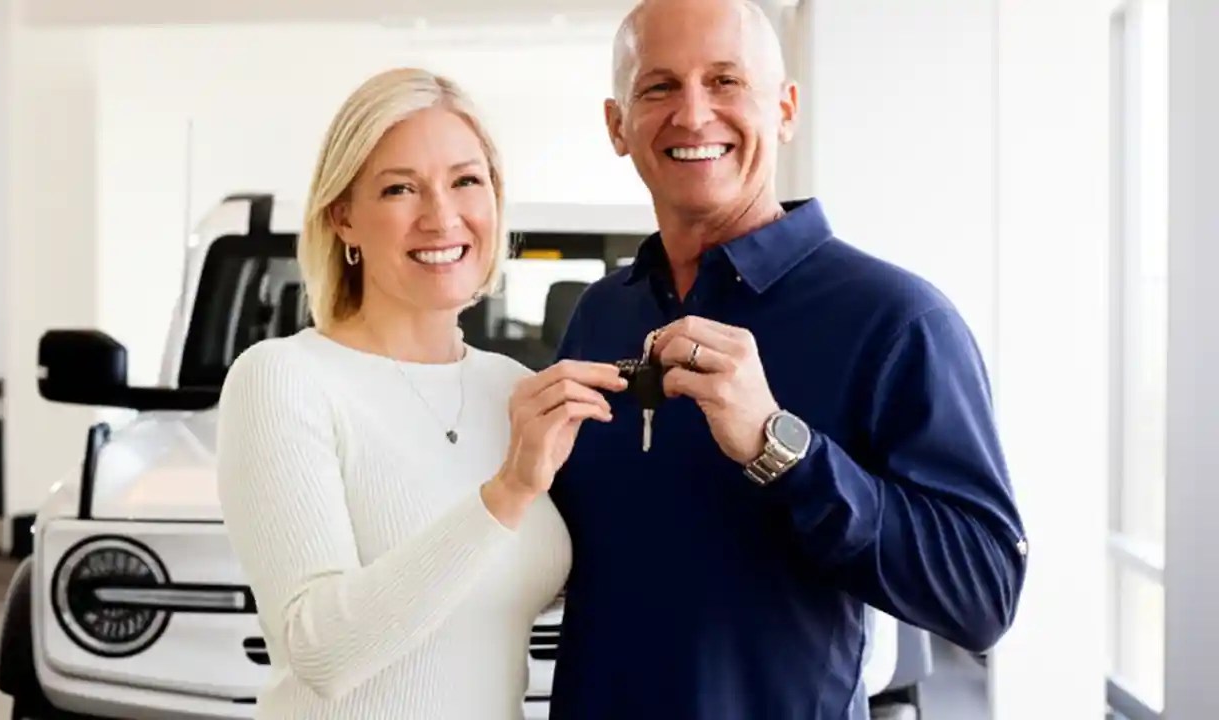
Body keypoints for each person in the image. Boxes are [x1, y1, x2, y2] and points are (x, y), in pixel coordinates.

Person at [545, 1, 1029, 718]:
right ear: (618, 125)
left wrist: (784, 448)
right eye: (659, 87)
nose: (693, 113)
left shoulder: (897, 319)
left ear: (785, 108)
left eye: (726, 80)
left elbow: (982, 593)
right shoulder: (600, 314)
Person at [214, 67, 625, 720]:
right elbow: (320, 654)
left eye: (466, 181)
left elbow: (493, 591)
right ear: (343, 216)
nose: (441, 217)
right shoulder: (283, 379)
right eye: (400, 188)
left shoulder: (513, 391)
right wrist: (508, 492)